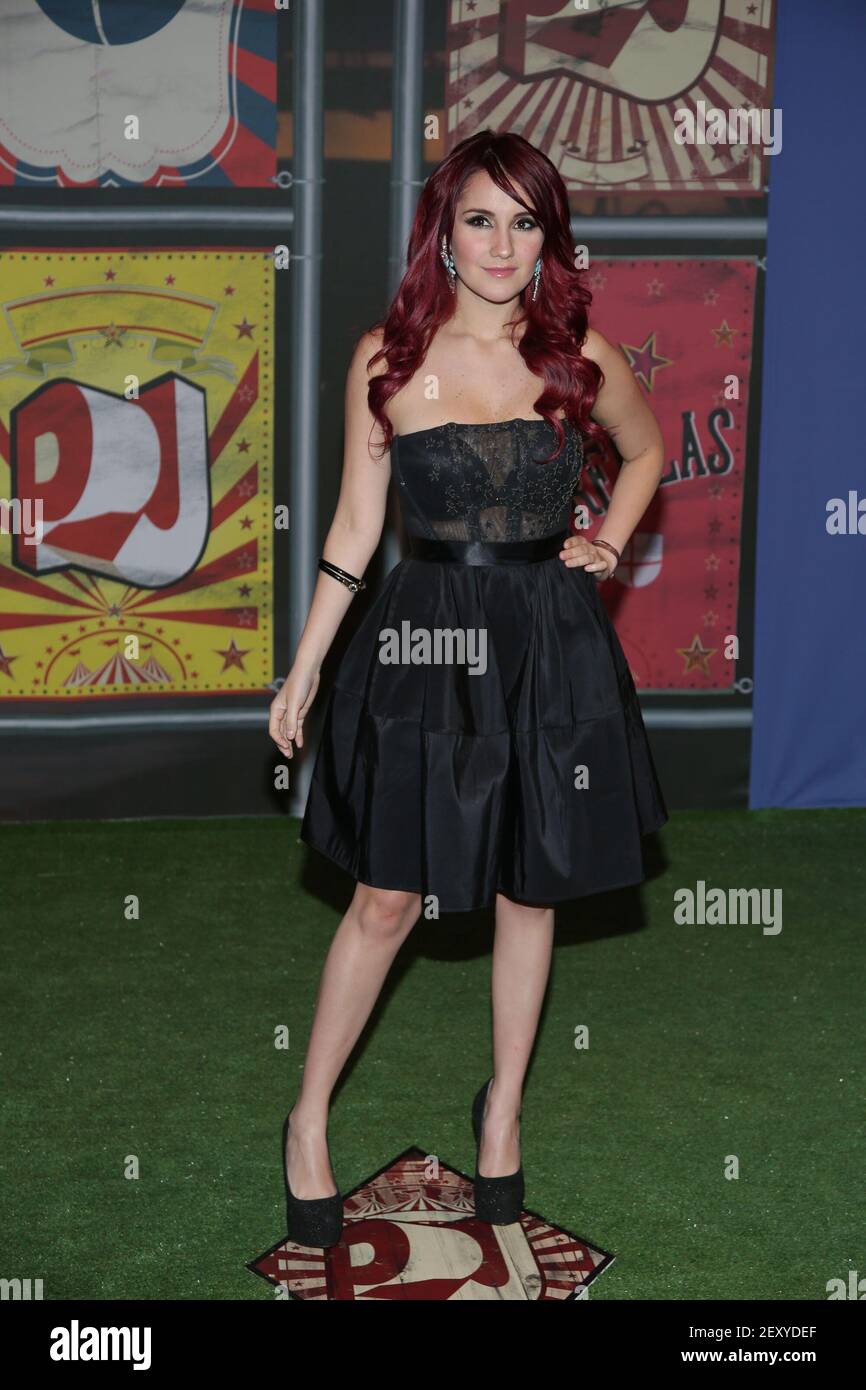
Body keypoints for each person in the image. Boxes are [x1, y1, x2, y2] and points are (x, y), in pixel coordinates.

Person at [269, 129, 668, 1249]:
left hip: (544, 642)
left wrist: (609, 541)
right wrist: (303, 667)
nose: (500, 243)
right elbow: (355, 528)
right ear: (443, 230)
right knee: (386, 897)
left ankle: (502, 1112)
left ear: (548, 237)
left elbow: (646, 450)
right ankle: (306, 1120)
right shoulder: (387, 361)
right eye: (480, 219)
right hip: (426, 647)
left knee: (527, 888)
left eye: (523, 220)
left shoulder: (575, 354)